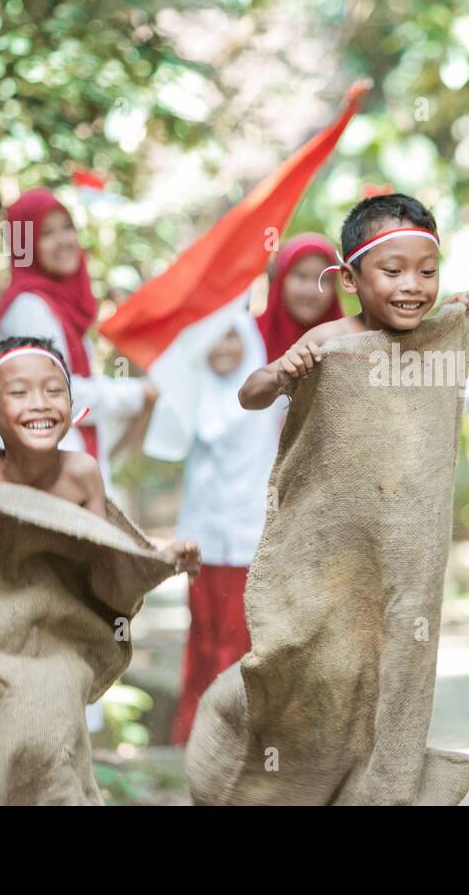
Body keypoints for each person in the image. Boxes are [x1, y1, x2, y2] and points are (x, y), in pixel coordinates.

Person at [0, 334, 199, 574]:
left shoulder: (81, 474)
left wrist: (158, 559)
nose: (40, 404)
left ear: (71, 408)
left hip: (58, 624)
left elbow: (103, 556)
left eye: (54, 391)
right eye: (19, 393)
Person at [238, 193, 469, 410]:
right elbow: (248, 395)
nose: (412, 285)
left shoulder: (428, 338)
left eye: (428, 272)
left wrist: (449, 320)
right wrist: (281, 373)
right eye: (393, 271)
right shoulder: (331, 338)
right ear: (350, 279)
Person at [0, 188, 155, 482]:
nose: (63, 240)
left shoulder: (59, 306)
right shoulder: (29, 308)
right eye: (46, 233)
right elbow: (58, 393)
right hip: (37, 476)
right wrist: (138, 394)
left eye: (67, 227)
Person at [168, 305, 280, 744]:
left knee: (242, 642)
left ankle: (237, 739)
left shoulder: (269, 395)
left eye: (233, 336)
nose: (223, 347)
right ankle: (195, 735)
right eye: (213, 337)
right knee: (203, 637)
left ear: (248, 341)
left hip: (250, 540)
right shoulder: (191, 396)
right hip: (202, 543)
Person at [255, 233, 345, 364]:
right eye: (301, 276)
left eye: (323, 279)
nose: (310, 291)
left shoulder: (348, 344)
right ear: (281, 279)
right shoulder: (246, 337)